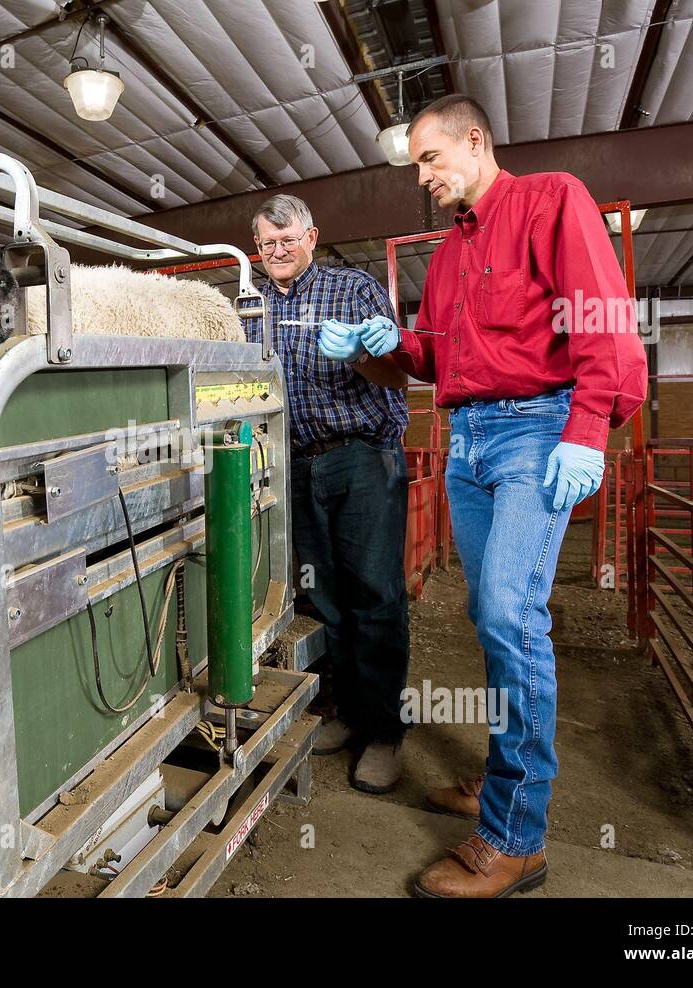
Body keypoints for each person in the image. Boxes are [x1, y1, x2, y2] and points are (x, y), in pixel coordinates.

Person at [354, 95, 647, 897]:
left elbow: (601, 315)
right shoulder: (448, 257)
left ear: (474, 140)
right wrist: (387, 347)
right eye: (418, 166)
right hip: (470, 439)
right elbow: (435, 360)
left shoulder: (552, 199)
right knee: (493, 616)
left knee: (509, 615)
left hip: (536, 429)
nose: (423, 178)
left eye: (429, 159)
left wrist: (588, 428)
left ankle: (516, 838)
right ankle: (501, 778)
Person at [241, 194, 412, 795]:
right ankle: (342, 709)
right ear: (256, 249)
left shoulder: (354, 288)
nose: (279, 251)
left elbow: (400, 370)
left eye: (289, 240)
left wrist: (369, 350)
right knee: (322, 594)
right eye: (267, 243)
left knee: (375, 593)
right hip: (292, 463)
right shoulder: (249, 307)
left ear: (312, 237)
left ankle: (385, 731)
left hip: (362, 457)